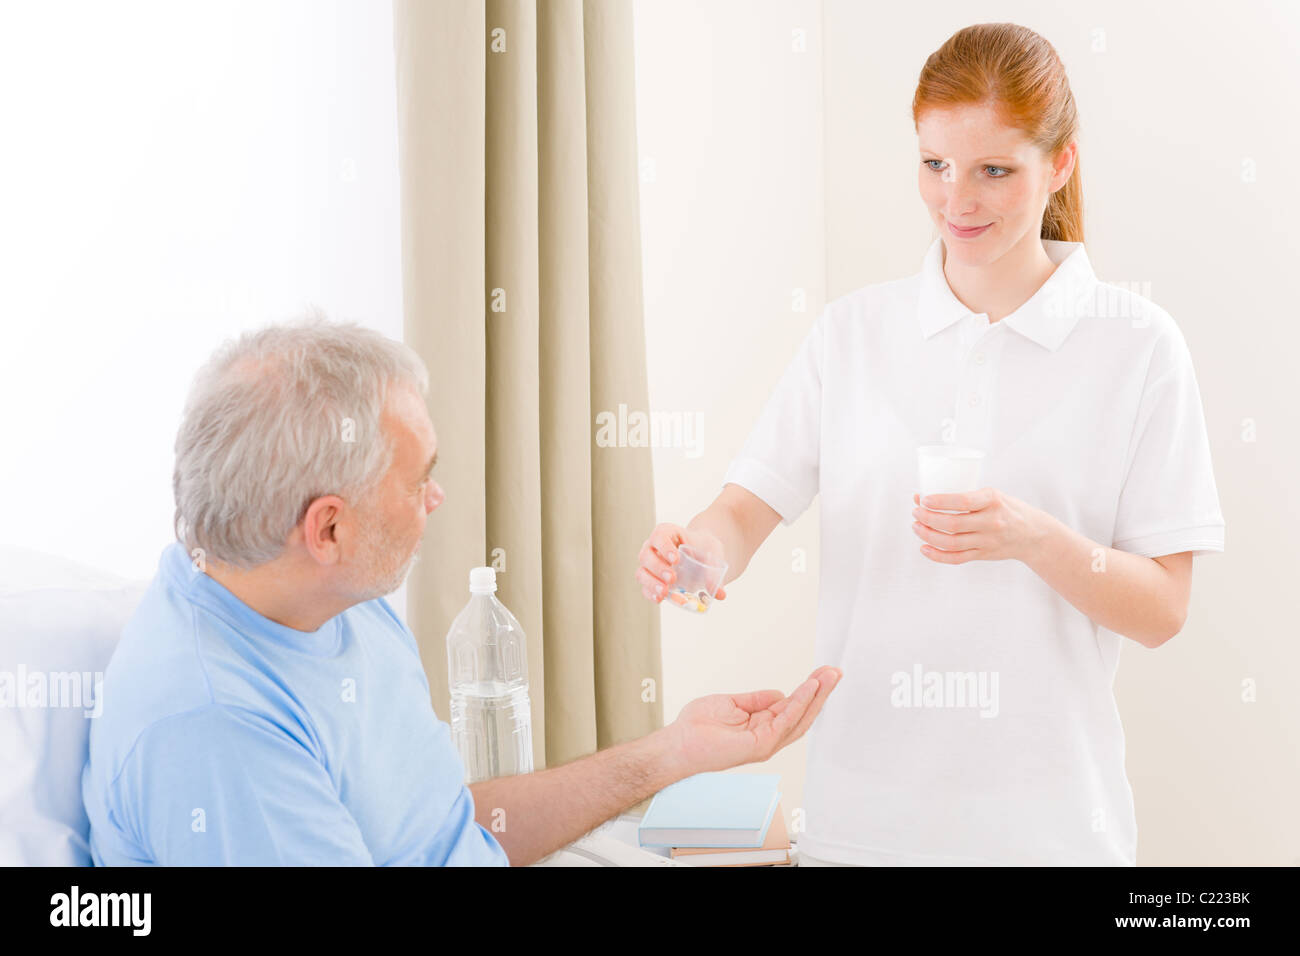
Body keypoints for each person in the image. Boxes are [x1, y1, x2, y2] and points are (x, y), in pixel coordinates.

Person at [635, 22, 1225, 866]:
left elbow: (1165, 608)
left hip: (1051, 832)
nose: (958, 200)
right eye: (935, 164)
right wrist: (695, 554)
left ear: (1059, 164)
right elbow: (744, 510)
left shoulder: (1135, 346)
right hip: (863, 826)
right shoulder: (854, 335)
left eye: (995, 170)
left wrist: (1033, 539)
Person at [81, 317, 841, 866]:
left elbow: (451, 829)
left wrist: (673, 753)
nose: (437, 499)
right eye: (419, 482)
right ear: (329, 530)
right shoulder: (216, 729)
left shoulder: (329, 601)